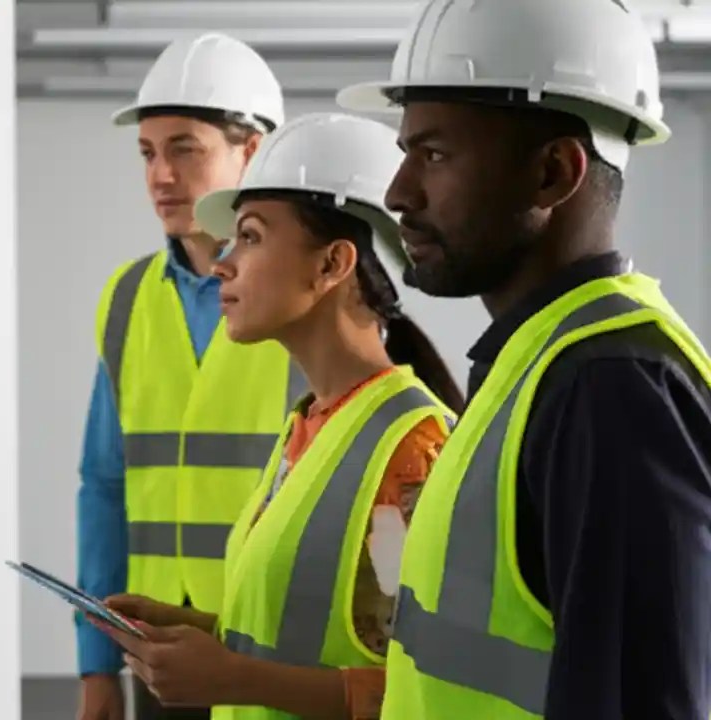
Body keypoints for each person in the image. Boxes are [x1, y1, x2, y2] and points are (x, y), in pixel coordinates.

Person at [331, 0, 711, 717]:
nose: (397, 192)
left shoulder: (609, 386)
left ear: (554, 173)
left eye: (433, 154)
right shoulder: (533, 363)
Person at [93, 112, 464, 720]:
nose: (223, 264)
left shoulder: (409, 449)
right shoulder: (312, 425)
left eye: (253, 237)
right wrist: (199, 631)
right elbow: (310, 634)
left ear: (331, 265)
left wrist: (235, 678)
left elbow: (422, 690)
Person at [76, 33, 308, 720]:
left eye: (185, 148)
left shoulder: (309, 295)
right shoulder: (126, 299)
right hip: (155, 649)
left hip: (274, 646)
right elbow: (104, 485)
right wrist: (96, 664)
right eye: (148, 152)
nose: (160, 176)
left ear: (253, 150)